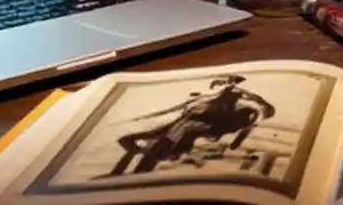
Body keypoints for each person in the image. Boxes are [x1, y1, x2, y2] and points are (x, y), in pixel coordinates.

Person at [109, 75, 275, 175]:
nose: (224, 85)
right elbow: (176, 109)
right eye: (220, 83)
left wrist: (244, 97)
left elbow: (264, 111)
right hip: (175, 127)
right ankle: (139, 163)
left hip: (199, 127)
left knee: (167, 141)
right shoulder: (200, 100)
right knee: (129, 140)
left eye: (228, 83)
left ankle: (146, 167)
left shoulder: (238, 102)